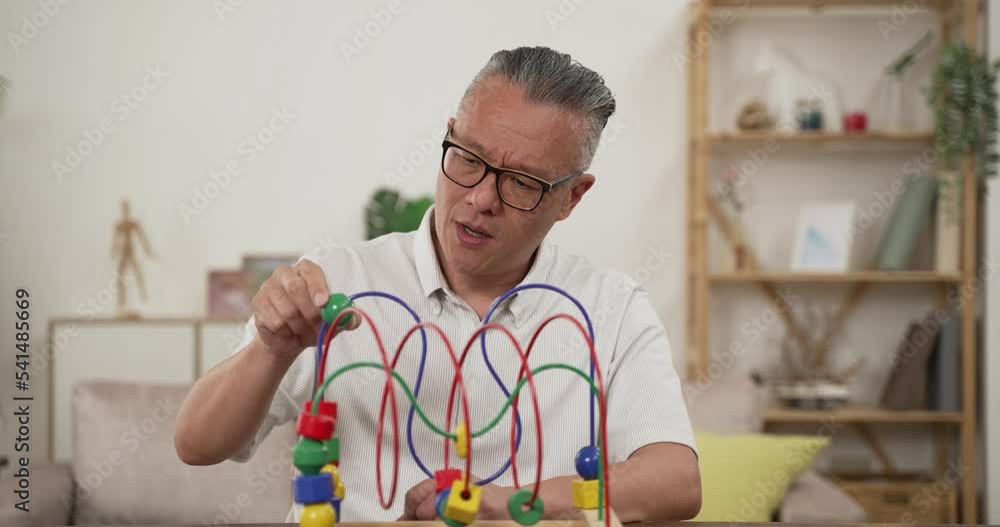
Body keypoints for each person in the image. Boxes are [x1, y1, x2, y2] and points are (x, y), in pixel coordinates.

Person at [174, 45, 701, 523]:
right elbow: (197, 444)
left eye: (521, 182)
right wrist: (271, 350)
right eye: (468, 159)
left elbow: (676, 481)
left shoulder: (610, 308)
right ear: (450, 134)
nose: (480, 199)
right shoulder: (340, 279)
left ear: (572, 198)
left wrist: (507, 500)